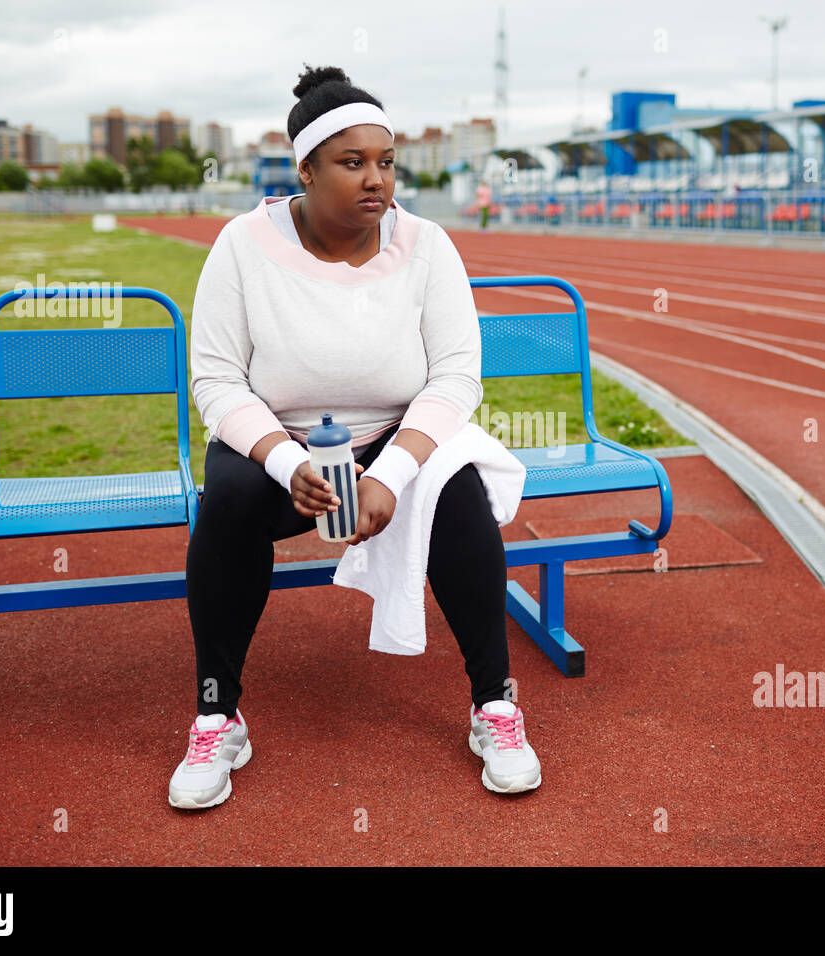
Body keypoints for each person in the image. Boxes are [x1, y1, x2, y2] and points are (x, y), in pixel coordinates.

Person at [172, 64, 541, 810]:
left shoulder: (427, 245)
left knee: (458, 493)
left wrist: (391, 474)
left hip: (389, 441)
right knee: (229, 500)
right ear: (304, 170)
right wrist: (283, 461)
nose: (376, 180)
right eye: (351, 163)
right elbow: (215, 381)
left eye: (386, 162)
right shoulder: (242, 246)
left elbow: (456, 378)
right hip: (281, 447)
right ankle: (219, 714)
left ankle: (494, 707)